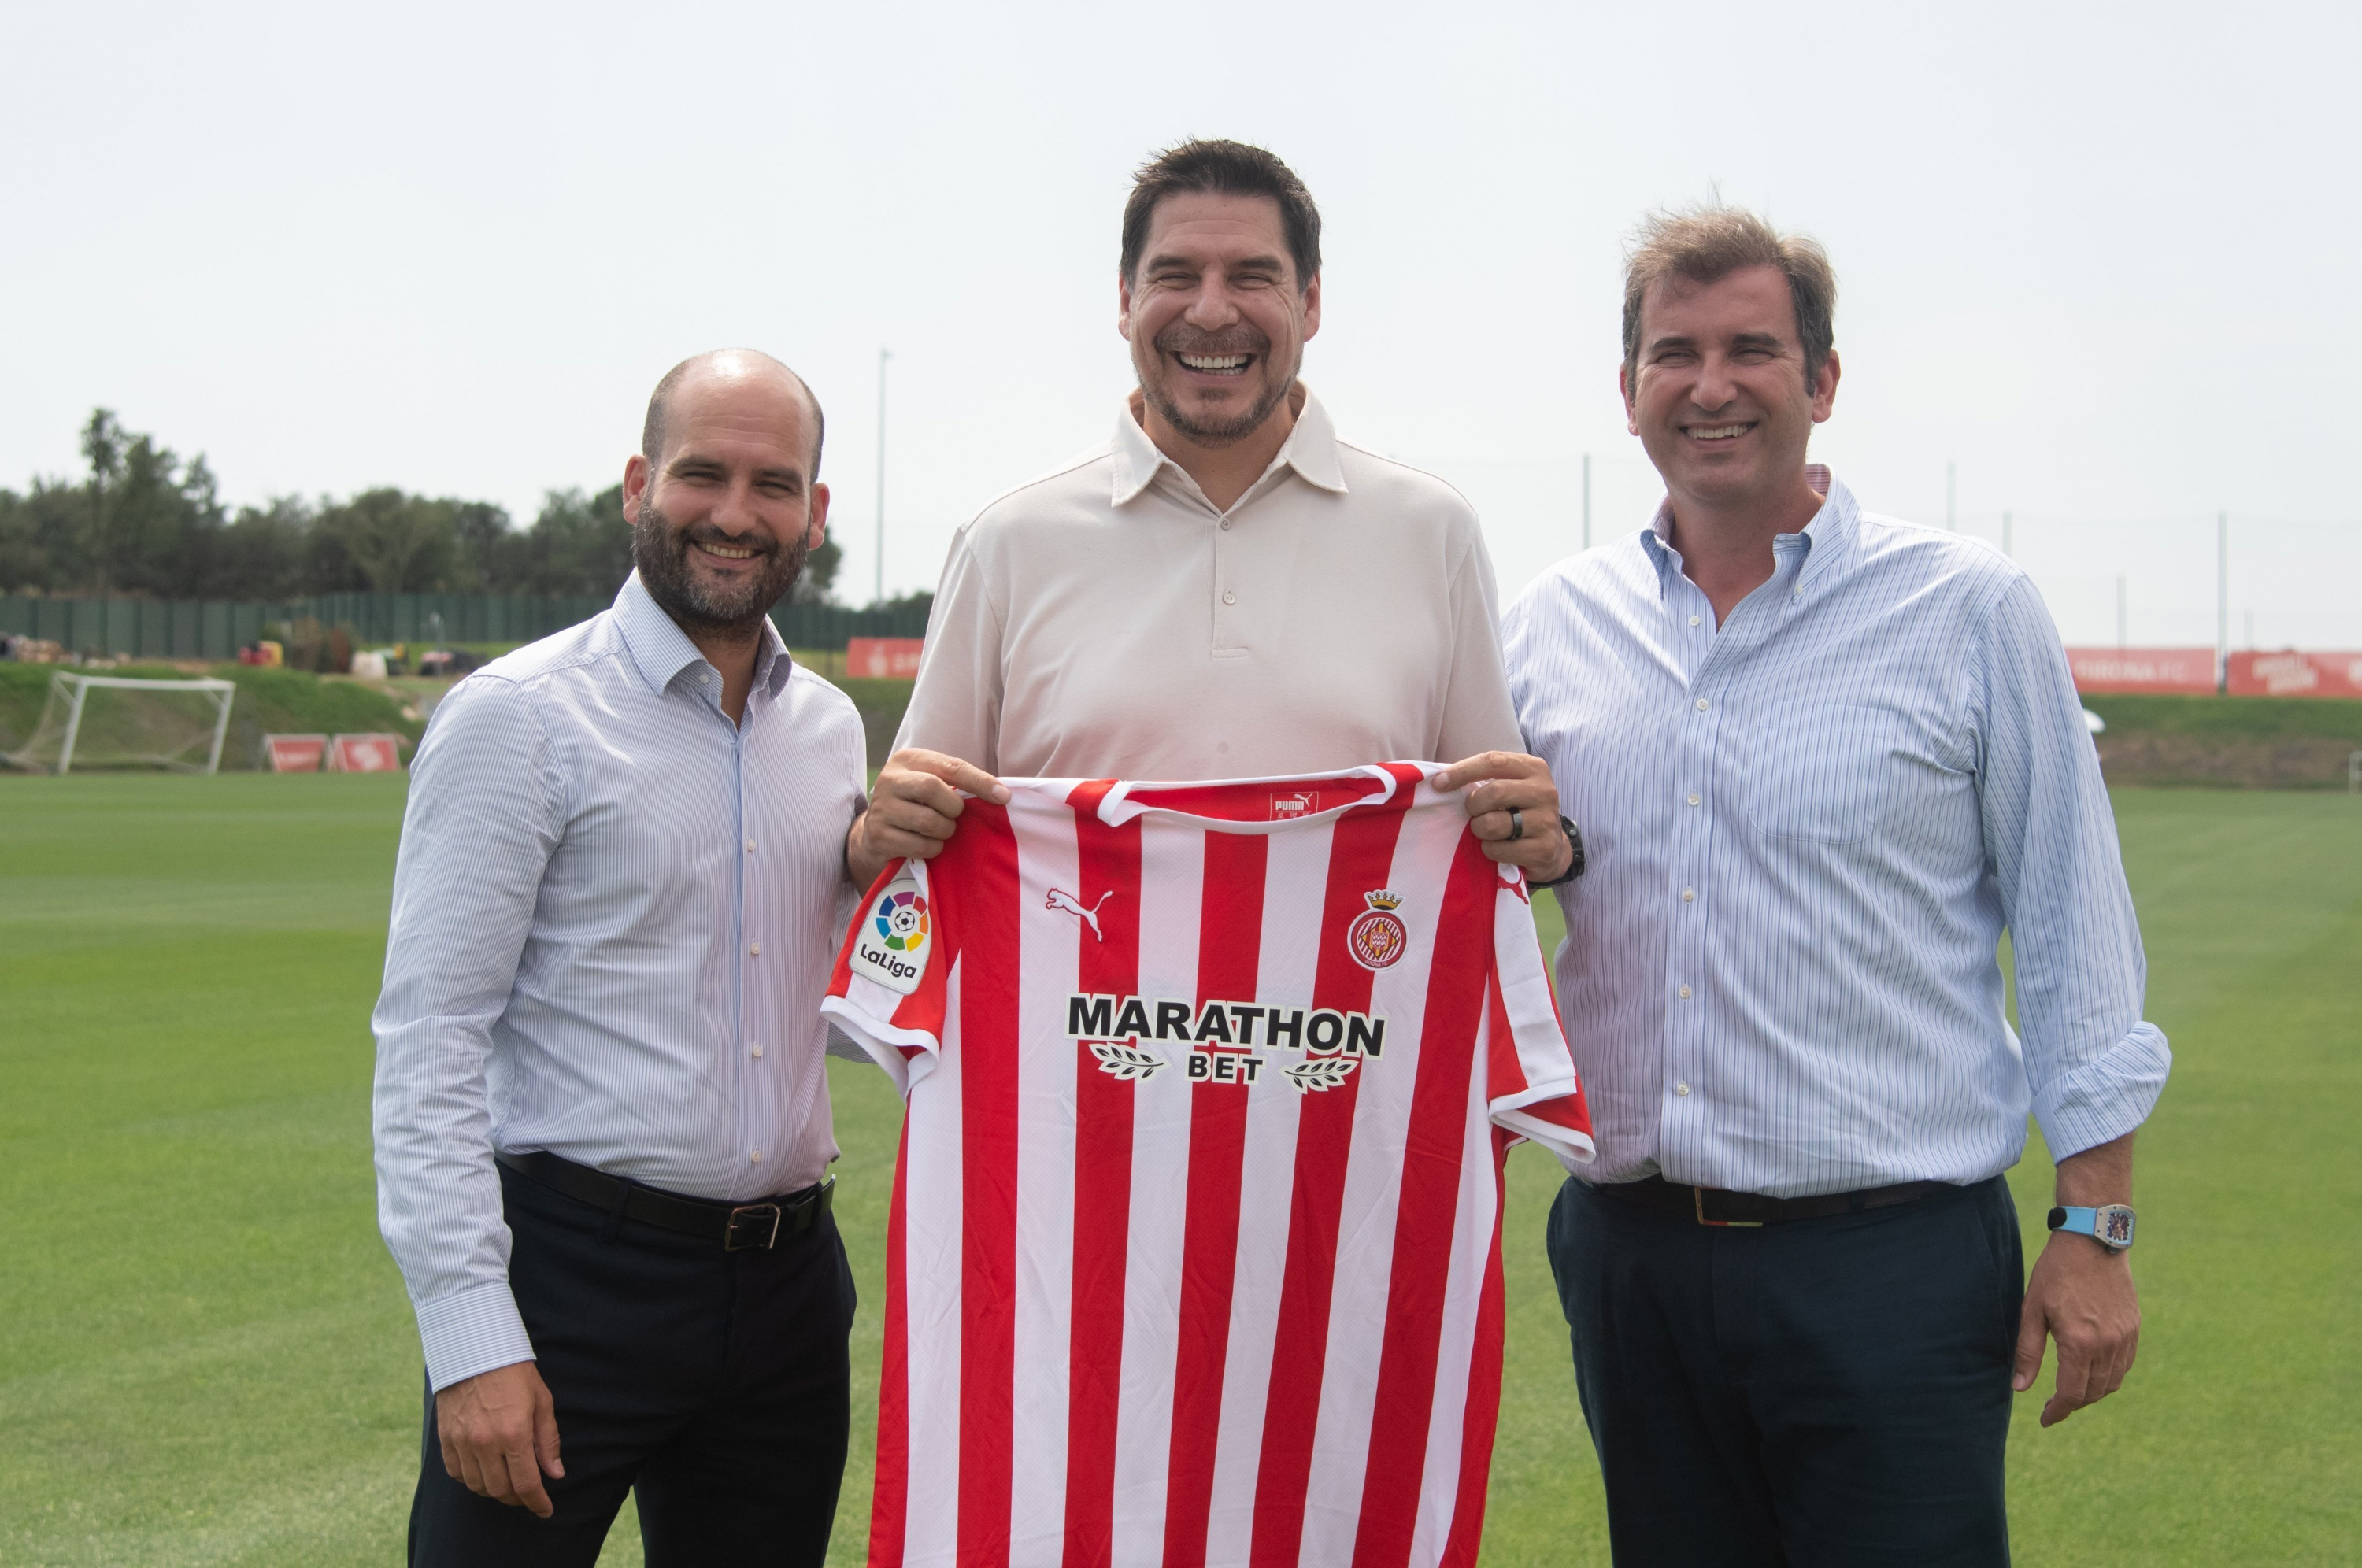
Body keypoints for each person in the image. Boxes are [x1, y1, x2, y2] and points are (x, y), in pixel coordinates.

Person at [1501, 206, 2171, 1564]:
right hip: (1631, 1253)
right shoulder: (1550, 625)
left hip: (1890, 1262)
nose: (1712, 385)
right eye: (1676, 352)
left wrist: (2095, 1225)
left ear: (1823, 379)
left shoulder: (1968, 609)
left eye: (1753, 349)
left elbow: (2073, 926)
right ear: (1627, 387)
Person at [372, 349, 864, 1566]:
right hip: (571, 1288)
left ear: (814, 512)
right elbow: (430, 1041)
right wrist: (470, 1338)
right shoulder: (520, 716)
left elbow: (838, 991)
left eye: (773, 483)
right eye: (703, 474)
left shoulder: (830, 729)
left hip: (790, 1295)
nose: (736, 513)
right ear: (639, 484)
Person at [846, 137, 1576, 888]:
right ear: (1125, 302)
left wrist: (1541, 839)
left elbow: (1499, 825)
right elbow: (911, 842)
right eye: (1176, 276)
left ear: (1310, 303)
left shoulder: (1432, 532)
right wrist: (874, 838)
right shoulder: (1006, 542)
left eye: (1252, 276)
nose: (1212, 308)